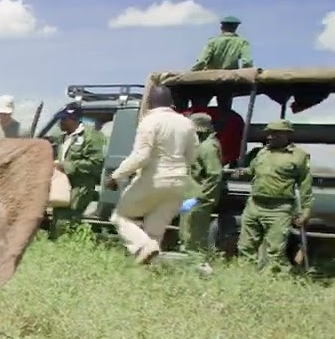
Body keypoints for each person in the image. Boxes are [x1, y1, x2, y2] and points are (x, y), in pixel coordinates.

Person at [105, 85, 199, 264]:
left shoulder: (150, 121)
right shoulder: (187, 123)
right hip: (178, 182)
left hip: (154, 178)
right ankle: (147, 270)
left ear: (149, 103)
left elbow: (141, 156)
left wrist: (116, 176)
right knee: (154, 232)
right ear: (171, 103)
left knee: (120, 217)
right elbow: (192, 157)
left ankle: (144, 247)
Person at [231, 119, 312, 272]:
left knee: (275, 250)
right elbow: (252, 170)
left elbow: (305, 185)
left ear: (286, 135)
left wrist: (306, 210)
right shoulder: (262, 152)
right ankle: (245, 277)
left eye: (274, 133)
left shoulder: (299, 156)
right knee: (245, 246)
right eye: (268, 133)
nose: (269, 137)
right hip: (254, 205)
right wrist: (242, 172)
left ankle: (275, 281)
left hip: (279, 209)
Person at [48, 104, 106, 240]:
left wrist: (67, 166)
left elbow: (96, 162)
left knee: (67, 218)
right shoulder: (64, 138)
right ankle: (57, 243)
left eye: (63, 119)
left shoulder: (91, 136)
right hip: (64, 184)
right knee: (58, 214)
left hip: (81, 185)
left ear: (72, 119)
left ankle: (62, 245)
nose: (59, 123)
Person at [179, 113, 225, 254]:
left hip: (197, 198)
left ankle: (194, 265)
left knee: (193, 237)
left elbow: (215, 173)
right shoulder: (200, 144)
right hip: (191, 196)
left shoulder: (207, 147)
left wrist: (202, 197)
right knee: (187, 234)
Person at [191, 15, 254, 110]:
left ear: (221, 27)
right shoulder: (242, 42)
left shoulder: (213, 42)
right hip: (228, 80)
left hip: (210, 79)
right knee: (225, 110)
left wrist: (191, 73)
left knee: (200, 108)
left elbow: (202, 61)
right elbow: (247, 62)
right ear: (236, 28)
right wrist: (245, 75)